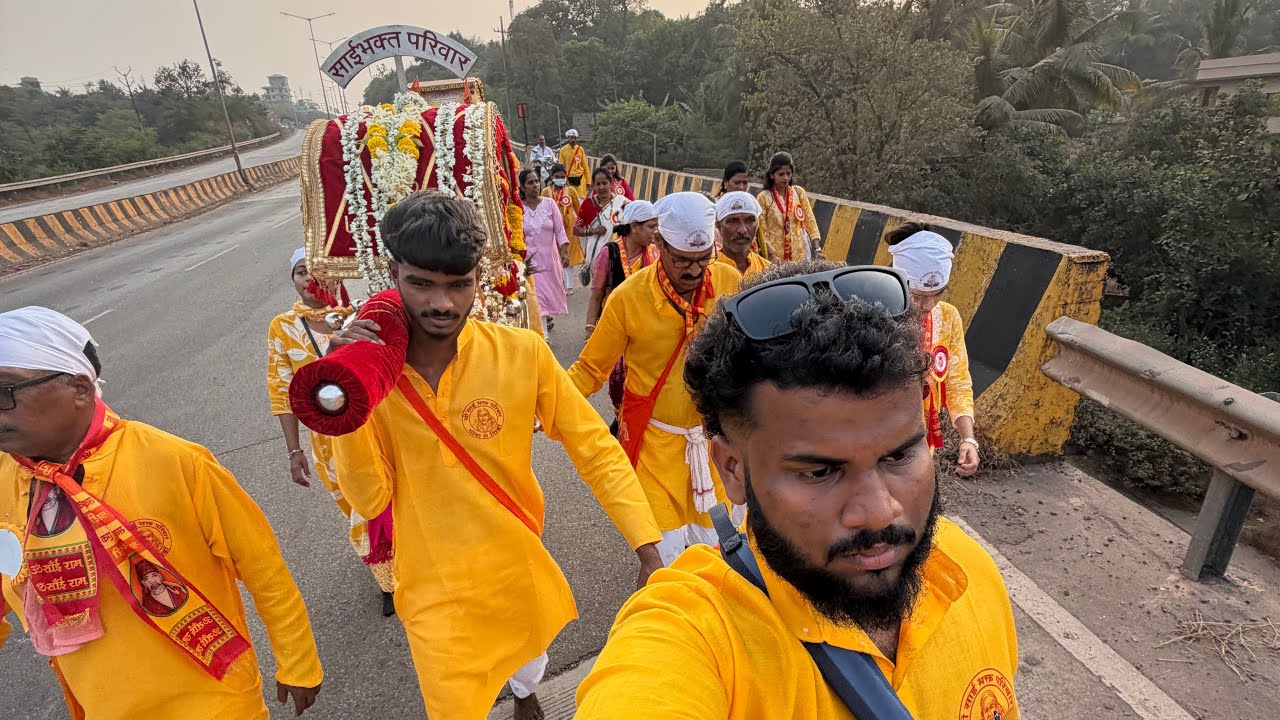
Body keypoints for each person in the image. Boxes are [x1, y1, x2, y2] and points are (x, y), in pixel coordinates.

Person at [575, 261, 1020, 719]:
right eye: (820, 473)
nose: (879, 511)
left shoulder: (968, 571)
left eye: (899, 456)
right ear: (733, 470)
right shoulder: (696, 637)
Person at [328, 191, 663, 720]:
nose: (441, 304)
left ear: (478, 279)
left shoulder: (521, 353)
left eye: (458, 284)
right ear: (394, 274)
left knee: (529, 665)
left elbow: (595, 449)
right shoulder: (373, 377)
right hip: (431, 585)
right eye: (421, 283)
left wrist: (647, 544)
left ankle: (527, 695)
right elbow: (370, 497)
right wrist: (348, 398)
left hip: (514, 563)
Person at [0, 307, 323, 720]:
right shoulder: (8, 480)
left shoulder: (175, 462)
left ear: (80, 388)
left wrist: (297, 662)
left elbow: (263, 567)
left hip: (210, 700)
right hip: (101, 705)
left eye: (4, 393)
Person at [568, 192, 742, 565]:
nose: (694, 272)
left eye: (702, 260)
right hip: (653, 447)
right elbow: (589, 369)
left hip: (715, 447)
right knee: (661, 563)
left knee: (716, 563)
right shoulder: (629, 299)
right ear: (659, 243)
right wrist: (546, 403)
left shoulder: (729, 282)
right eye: (682, 260)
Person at [268, 248, 396, 615]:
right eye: (301, 272)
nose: (310, 280)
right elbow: (281, 391)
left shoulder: (359, 313)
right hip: (328, 441)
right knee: (358, 504)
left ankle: (406, 561)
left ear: (336, 275)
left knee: (391, 494)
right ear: (292, 280)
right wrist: (294, 453)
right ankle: (386, 576)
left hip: (377, 426)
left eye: (317, 271)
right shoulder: (284, 327)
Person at [887, 223, 980, 476]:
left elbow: (958, 381)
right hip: (879, 437)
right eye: (916, 295)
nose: (927, 305)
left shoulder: (949, 317)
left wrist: (967, 439)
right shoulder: (879, 314)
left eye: (936, 294)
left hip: (921, 437)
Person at [585, 200, 660, 428]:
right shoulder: (610, 253)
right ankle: (623, 427)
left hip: (647, 333)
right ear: (634, 226)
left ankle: (632, 429)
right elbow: (597, 295)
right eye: (651, 226)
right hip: (617, 331)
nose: (655, 232)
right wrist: (590, 332)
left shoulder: (655, 254)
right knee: (620, 388)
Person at [519, 168, 571, 338]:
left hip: (549, 261)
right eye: (530, 182)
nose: (535, 185)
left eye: (536, 181)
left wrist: (564, 253)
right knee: (536, 298)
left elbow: (560, 231)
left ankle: (542, 328)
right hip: (530, 264)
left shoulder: (550, 204)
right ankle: (543, 336)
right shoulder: (518, 209)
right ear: (522, 187)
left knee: (546, 299)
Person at [756, 151, 823, 263]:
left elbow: (810, 221)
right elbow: (762, 231)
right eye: (781, 174)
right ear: (772, 175)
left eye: (788, 173)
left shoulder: (799, 193)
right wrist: (771, 255)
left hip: (799, 256)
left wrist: (817, 249)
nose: (785, 178)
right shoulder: (764, 197)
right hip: (774, 260)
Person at [573, 167, 629, 291]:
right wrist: (592, 231)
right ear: (593, 186)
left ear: (611, 183)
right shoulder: (588, 204)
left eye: (605, 183)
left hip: (619, 258)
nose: (601, 187)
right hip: (596, 260)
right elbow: (576, 229)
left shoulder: (622, 204)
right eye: (597, 184)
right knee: (599, 293)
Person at [543, 162, 584, 296]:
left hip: (569, 229)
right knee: (555, 255)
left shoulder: (571, 191)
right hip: (551, 229)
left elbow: (579, 209)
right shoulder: (546, 192)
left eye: (562, 176)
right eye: (557, 176)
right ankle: (557, 283)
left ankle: (569, 285)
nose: (560, 179)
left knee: (569, 255)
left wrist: (581, 225)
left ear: (566, 177)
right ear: (552, 176)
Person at [714, 191, 769, 280]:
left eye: (750, 221)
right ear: (719, 226)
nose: (742, 230)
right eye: (733, 221)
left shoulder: (768, 270)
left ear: (757, 225)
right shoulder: (706, 271)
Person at [558, 128, 589, 195]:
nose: (573, 140)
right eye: (571, 137)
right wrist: (562, 180)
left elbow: (585, 166)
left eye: (575, 138)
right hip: (568, 180)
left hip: (580, 180)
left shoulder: (580, 150)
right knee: (568, 200)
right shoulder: (563, 150)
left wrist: (588, 181)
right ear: (568, 138)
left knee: (580, 200)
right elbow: (561, 167)